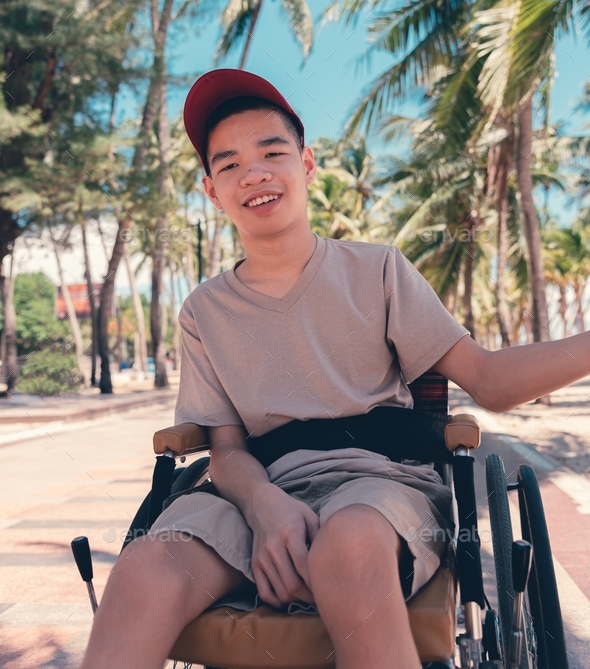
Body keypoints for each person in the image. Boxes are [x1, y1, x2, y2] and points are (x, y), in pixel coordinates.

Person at [81, 69, 590, 669]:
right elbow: (226, 449)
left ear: (307, 165)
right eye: (230, 164)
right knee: (144, 566)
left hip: (380, 482)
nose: (254, 173)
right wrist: (264, 506)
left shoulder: (379, 271)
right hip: (254, 494)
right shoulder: (203, 311)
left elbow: (489, 380)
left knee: (348, 547)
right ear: (212, 192)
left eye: (272, 153)